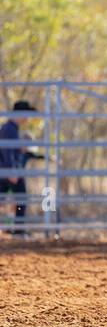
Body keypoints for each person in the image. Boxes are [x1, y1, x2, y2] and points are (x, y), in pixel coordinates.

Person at [0, 101, 42, 236]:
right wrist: (12, 171)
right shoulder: (10, 129)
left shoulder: (10, 128)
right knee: (21, 199)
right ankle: (18, 230)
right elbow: (7, 152)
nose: (27, 118)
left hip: (7, 171)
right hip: (10, 172)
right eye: (26, 115)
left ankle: (17, 229)